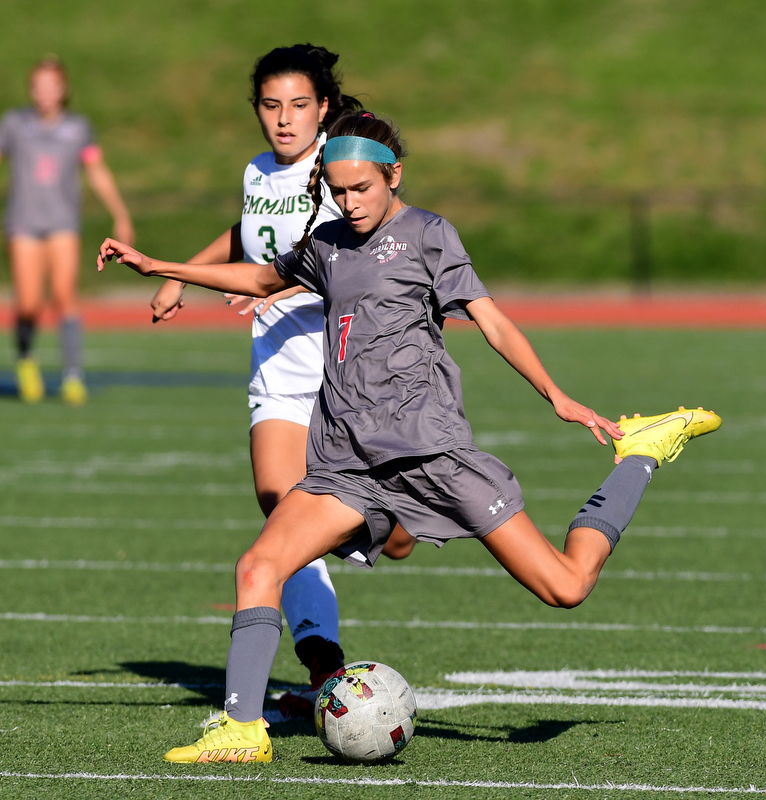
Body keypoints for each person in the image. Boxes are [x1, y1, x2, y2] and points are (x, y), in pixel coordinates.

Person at [97, 110, 722, 764]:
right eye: (337, 191)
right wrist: (159, 266)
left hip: (432, 454)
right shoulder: (327, 243)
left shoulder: (428, 235)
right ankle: (243, 728)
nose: (350, 202)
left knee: (565, 586)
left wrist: (557, 396)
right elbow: (260, 277)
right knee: (259, 566)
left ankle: (640, 454)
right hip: (348, 466)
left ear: (393, 175)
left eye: (362, 188)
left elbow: (494, 322)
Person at [148, 45, 416, 720]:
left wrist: (289, 287)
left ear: (324, 107)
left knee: (354, 528)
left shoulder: (341, 171)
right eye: (271, 106)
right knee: (278, 504)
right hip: (276, 368)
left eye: (299, 105)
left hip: (343, 368)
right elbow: (249, 231)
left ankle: (395, 520)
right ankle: (325, 666)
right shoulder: (258, 170)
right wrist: (182, 272)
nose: (283, 120)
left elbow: (372, 247)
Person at [0, 55, 134, 404]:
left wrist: (120, 213)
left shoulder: (78, 127)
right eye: (38, 86)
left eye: (52, 86)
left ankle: (72, 376)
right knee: (28, 303)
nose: (45, 93)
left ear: (63, 89)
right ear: (31, 90)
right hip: (24, 223)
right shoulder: (14, 124)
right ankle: (26, 360)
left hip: (63, 223)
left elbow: (96, 170)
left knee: (64, 296)